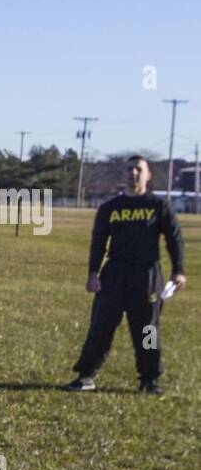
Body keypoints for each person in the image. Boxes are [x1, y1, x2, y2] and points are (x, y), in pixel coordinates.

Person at [66, 156, 185, 393]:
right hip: (114, 274)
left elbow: (174, 240)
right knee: (101, 325)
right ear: (124, 174)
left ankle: (149, 379)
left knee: (148, 330)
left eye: (138, 169)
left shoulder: (158, 206)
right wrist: (93, 273)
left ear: (147, 175)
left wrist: (178, 271)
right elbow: (98, 242)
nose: (133, 173)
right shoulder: (110, 208)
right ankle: (86, 376)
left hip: (147, 275)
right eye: (129, 169)